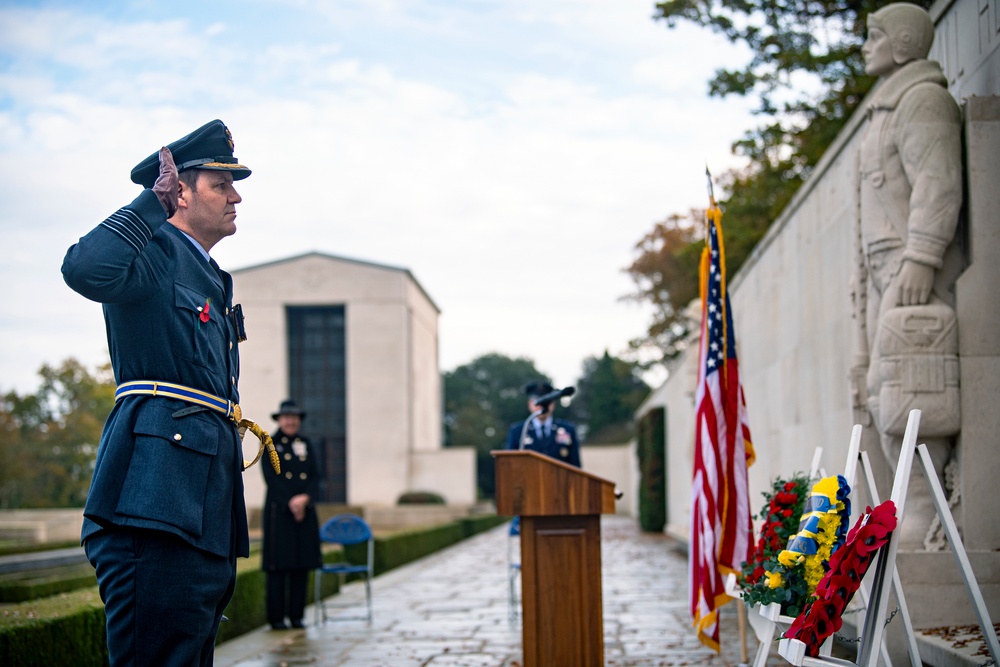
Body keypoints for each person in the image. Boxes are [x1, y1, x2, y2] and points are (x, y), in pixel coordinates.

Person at [62, 119, 256, 665]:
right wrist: (148, 208)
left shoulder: (208, 273)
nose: (236, 195)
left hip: (199, 509)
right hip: (154, 504)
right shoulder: (155, 250)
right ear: (180, 191)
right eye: (221, 184)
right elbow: (84, 269)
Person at [852, 3, 963, 545]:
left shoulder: (921, 100)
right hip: (882, 269)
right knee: (879, 389)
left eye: (874, 36)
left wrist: (922, 255)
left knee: (911, 382)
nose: (866, 46)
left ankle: (922, 514)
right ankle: (904, 507)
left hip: (912, 266)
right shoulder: (887, 108)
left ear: (901, 41)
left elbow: (938, 183)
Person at [261, 399, 322, 630]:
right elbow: (272, 479)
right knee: (280, 566)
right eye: (286, 417)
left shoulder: (306, 443)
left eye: (294, 418)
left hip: (305, 513)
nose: (290, 421)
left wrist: (305, 499)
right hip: (280, 513)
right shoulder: (270, 444)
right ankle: (276, 618)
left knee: (301, 563)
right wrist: (291, 501)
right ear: (279, 420)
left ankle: (297, 615)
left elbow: (316, 476)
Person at [505, 381, 581, 468]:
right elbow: (510, 465)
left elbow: (576, 466)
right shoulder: (518, 431)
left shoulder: (567, 429)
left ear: (553, 404)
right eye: (537, 401)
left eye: (546, 401)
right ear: (529, 404)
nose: (541, 406)